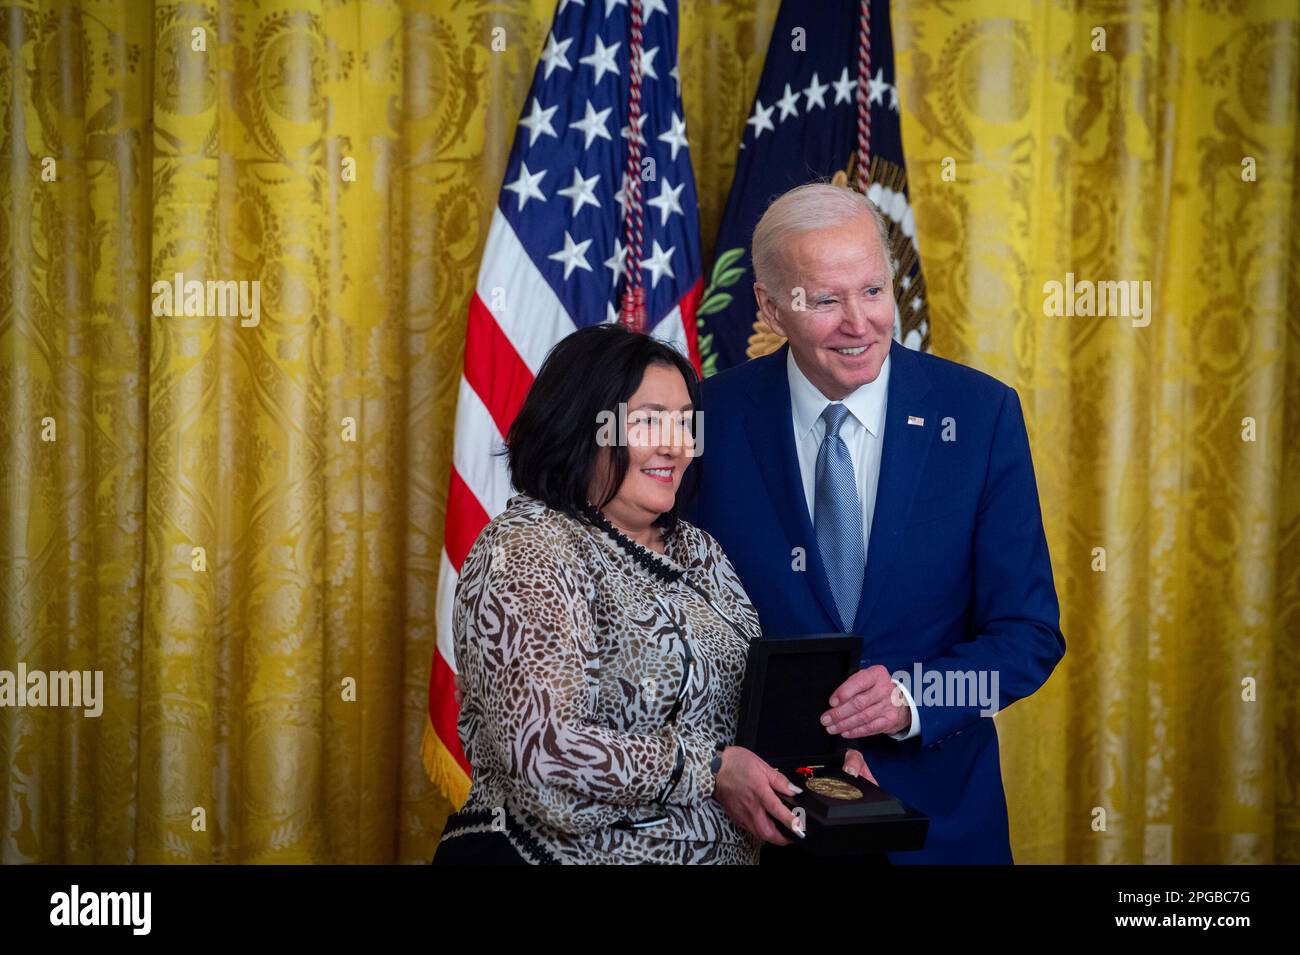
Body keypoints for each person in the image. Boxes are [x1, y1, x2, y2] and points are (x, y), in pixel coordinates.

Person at [689, 182, 1066, 864]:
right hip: (759, 832)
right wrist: (719, 759)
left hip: (939, 831)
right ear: (771, 307)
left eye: (872, 290)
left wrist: (914, 696)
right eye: (826, 300)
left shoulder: (981, 416)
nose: (859, 322)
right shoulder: (706, 421)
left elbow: (1030, 636)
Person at [433, 324, 816, 864]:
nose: (677, 445)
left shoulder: (698, 550)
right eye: (649, 421)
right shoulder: (528, 549)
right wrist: (706, 772)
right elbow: (547, 757)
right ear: (579, 425)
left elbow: (737, 720)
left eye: (685, 423)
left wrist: (816, 762)